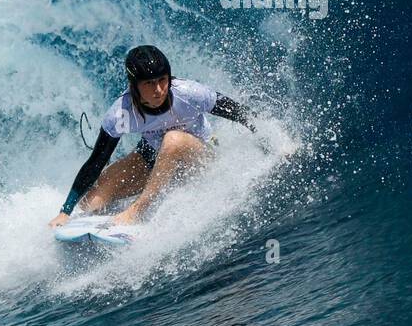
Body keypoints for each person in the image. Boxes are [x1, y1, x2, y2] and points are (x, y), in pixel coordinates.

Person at [48, 45, 256, 227]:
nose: (158, 90)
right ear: (134, 85)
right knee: (91, 202)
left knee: (173, 140)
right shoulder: (121, 113)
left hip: (200, 157)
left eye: (162, 80)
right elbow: (96, 161)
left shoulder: (190, 93)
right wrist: (65, 211)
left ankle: (137, 211)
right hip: (154, 159)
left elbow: (241, 113)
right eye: (148, 83)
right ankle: (113, 220)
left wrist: (272, 138)